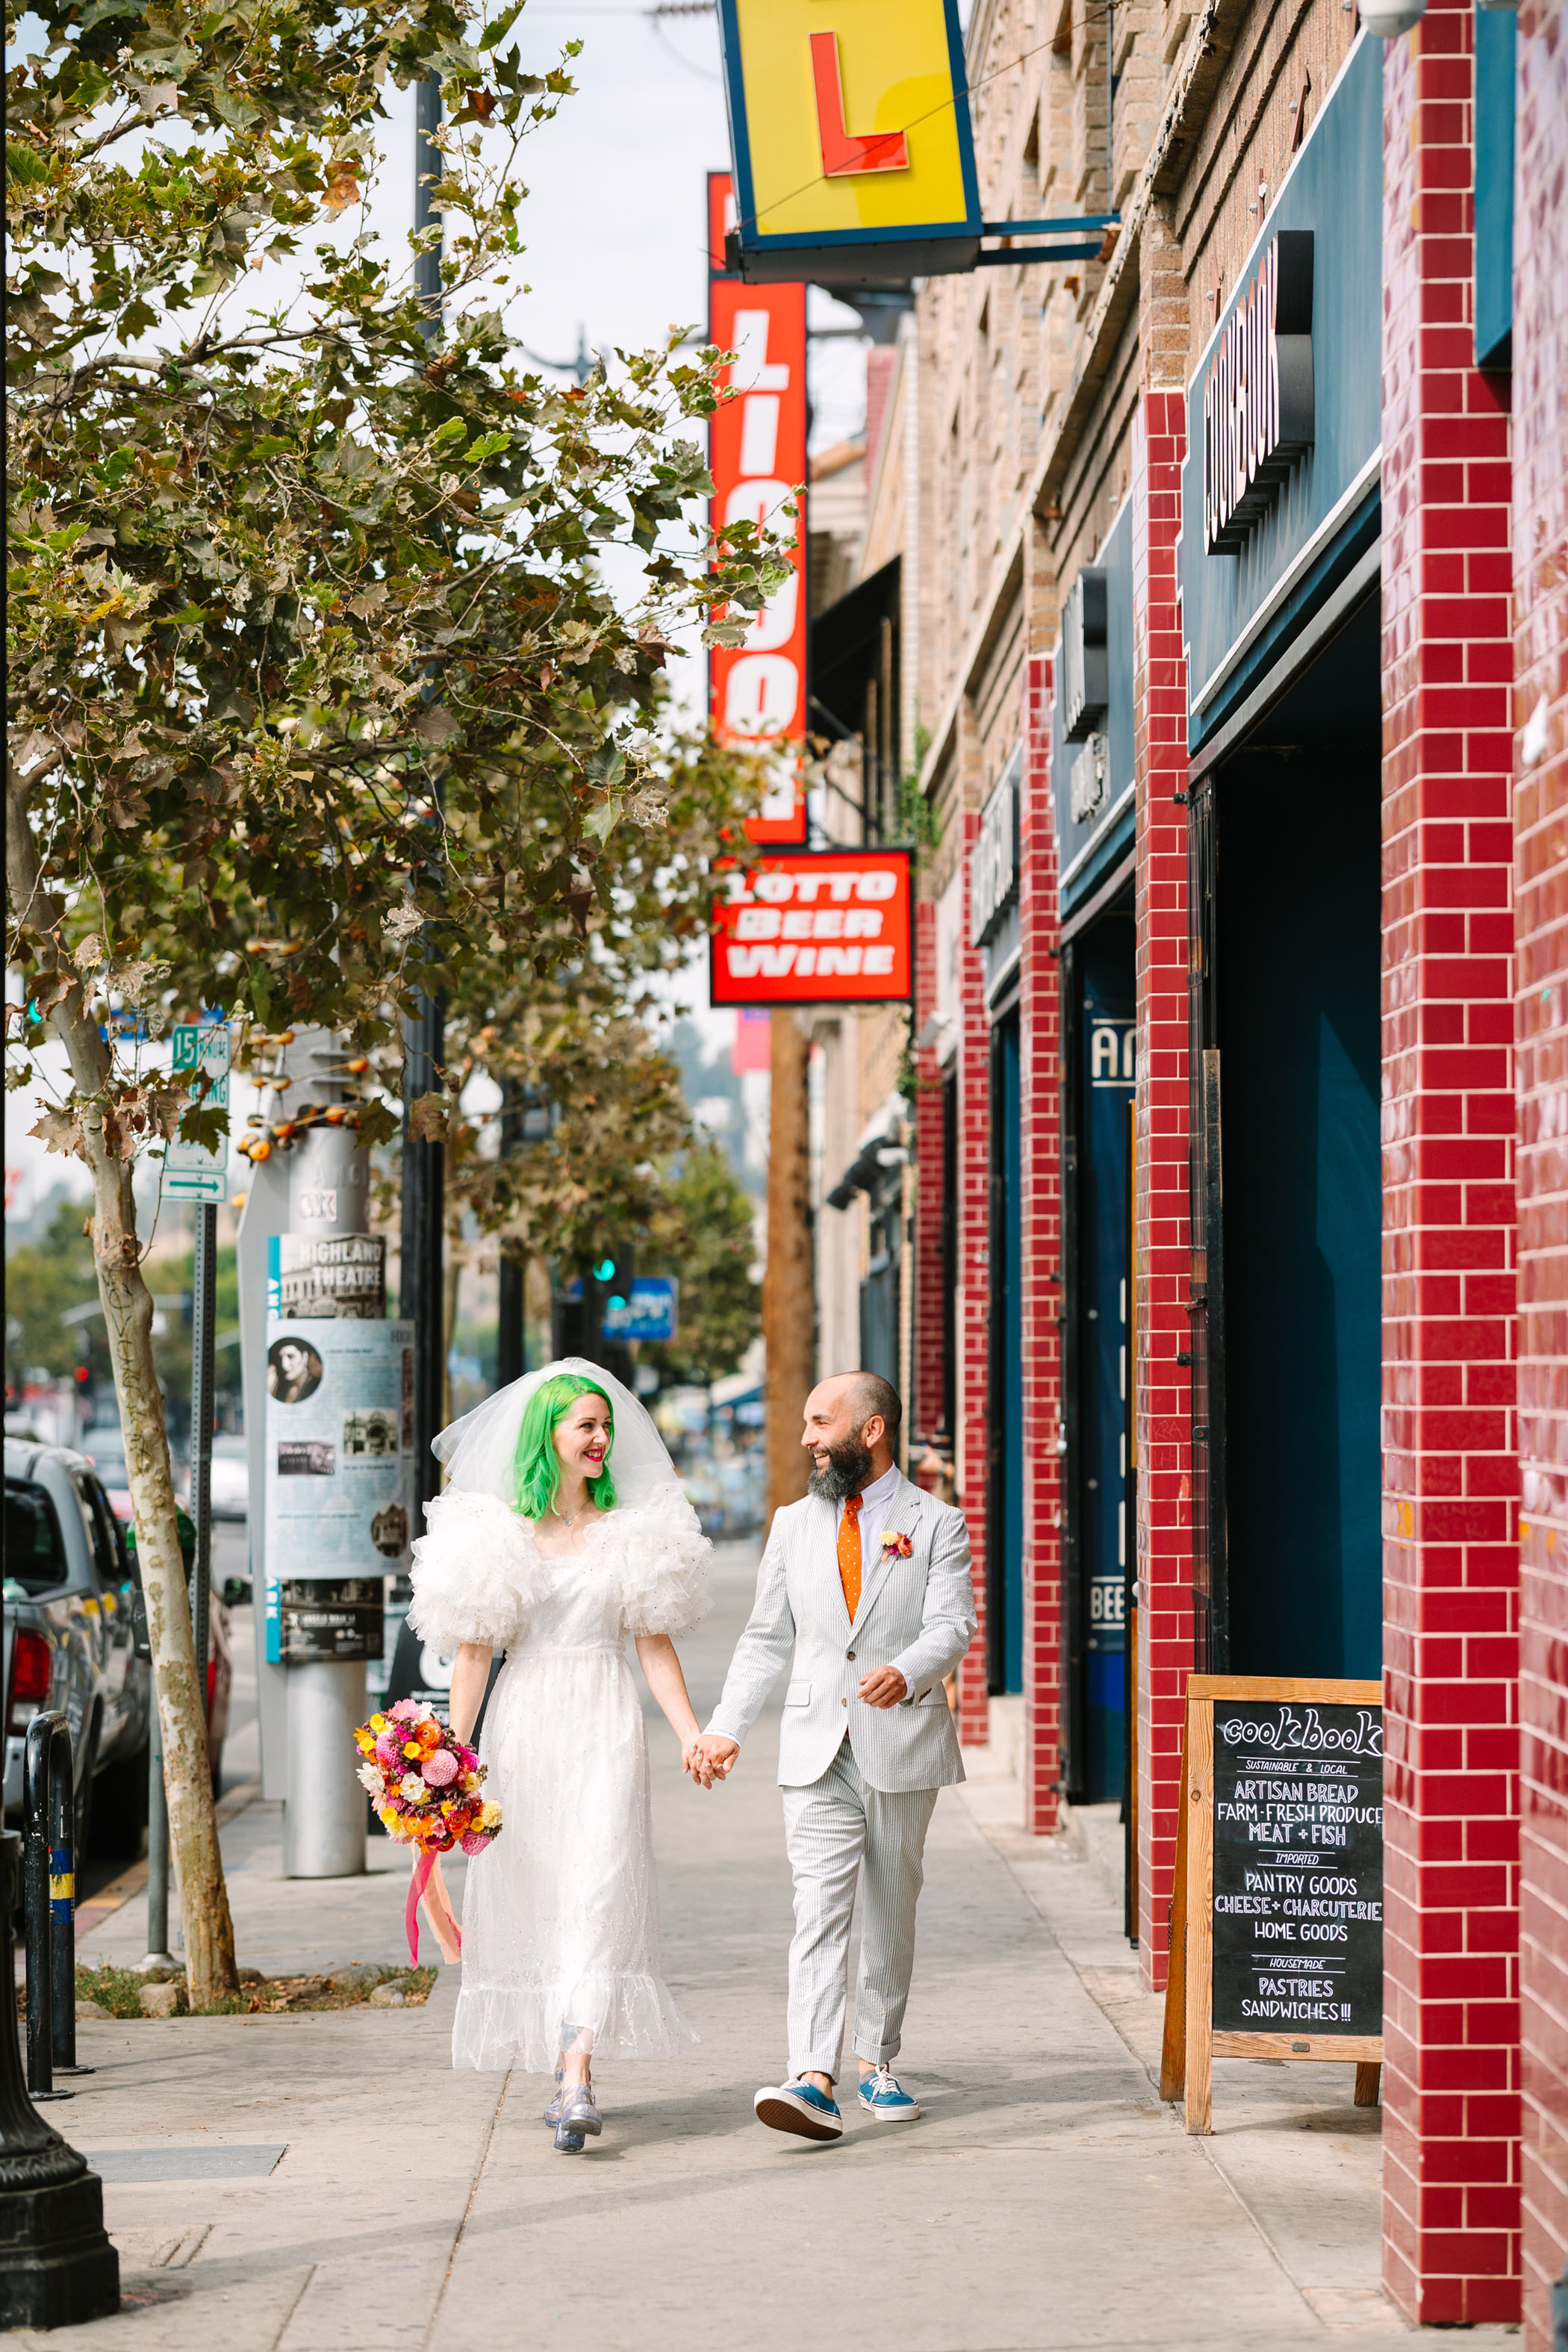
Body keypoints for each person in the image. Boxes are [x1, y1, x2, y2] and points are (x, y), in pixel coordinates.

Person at [406, 1358, 712, 2153]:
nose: (603, 1438)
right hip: (527, 1723)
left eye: (607, 1425)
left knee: (601, 1887)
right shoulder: (501, 1535)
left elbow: (654, 1646)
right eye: (587, 1425)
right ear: (551, 1435)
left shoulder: (628, 1532)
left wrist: (687, 1732)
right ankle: (565, 2059)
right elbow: (474, 1655)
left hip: (606, 1721)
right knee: (541, 1887)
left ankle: (577, 2071)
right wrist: (452, 1763)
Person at [689, 1370, 976, 2142]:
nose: (808, 1437)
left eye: (822, 1422)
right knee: (817, 1909)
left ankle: (877, 2064)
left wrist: (910, 1670)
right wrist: (726, 1727)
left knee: (890, 1910)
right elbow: (765, 1638)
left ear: (871, 1430)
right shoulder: (792, 1524)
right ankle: (812, 2077)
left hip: (902, 1738)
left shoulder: (937, 1522)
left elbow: (953, 1625)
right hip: (817, 1747)